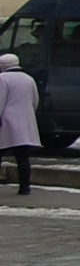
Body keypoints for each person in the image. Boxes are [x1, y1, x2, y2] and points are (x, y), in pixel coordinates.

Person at [0, 52, 38, 194]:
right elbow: (35, 100)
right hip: (24, 120)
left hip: (6, 121)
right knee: (22, 156)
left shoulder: (2, 79)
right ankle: (25, 186)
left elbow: (0, 100)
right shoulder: (29, 79)